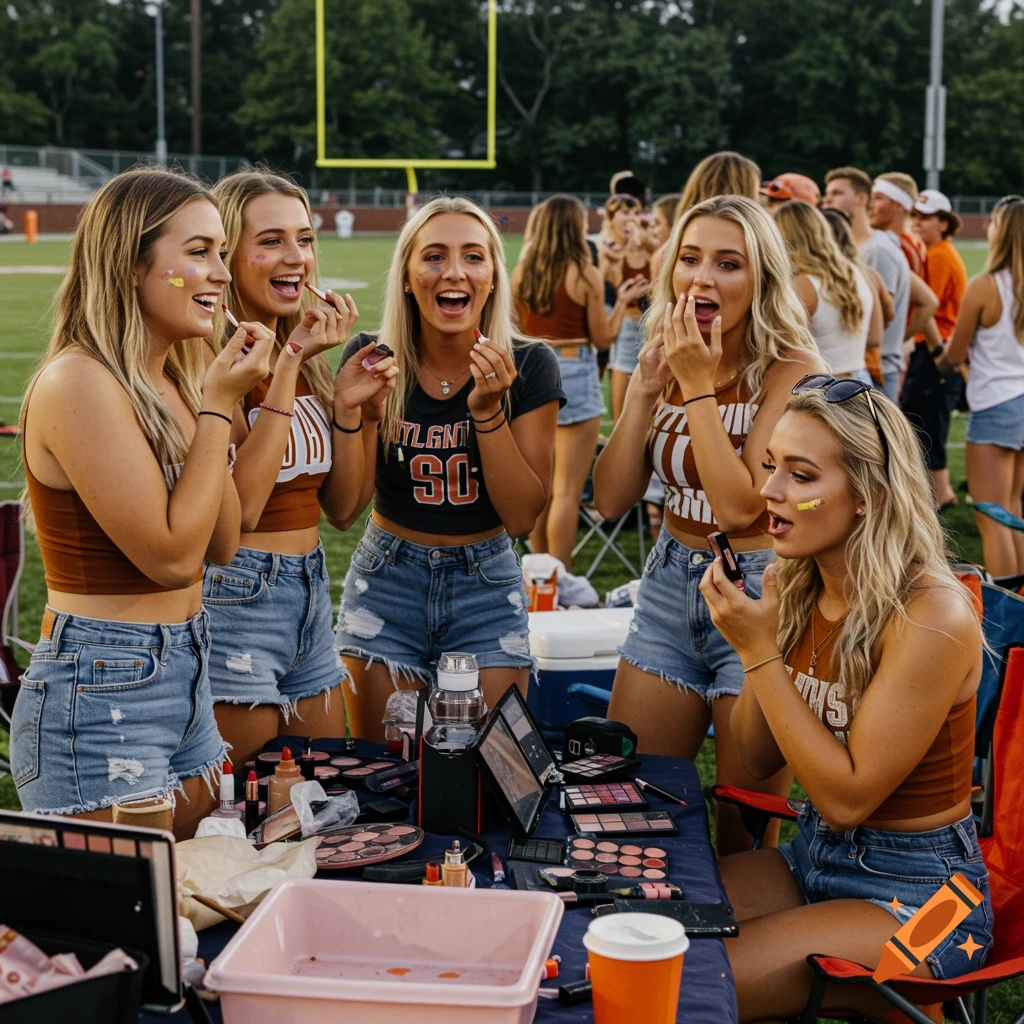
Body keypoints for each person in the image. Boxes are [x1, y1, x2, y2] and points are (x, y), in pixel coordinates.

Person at [700, 378, 990, 1022]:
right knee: (640, 919)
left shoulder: (931, 616)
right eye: (771, 465)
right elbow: (750, 754)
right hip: (818, 855)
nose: (769, 491)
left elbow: (847, 797)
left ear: (868, 496)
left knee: (687, 980)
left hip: (928, 898)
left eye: (800, 476)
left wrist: (758, 653)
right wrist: (765, 639)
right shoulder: (802, 582)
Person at [10, 167, 274, 838]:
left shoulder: (172, 379)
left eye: (220, 251)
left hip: (183, 664)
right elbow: (170, 557)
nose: (220, 272)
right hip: (100, 689)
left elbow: (221, 543)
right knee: (126, 932)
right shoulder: (80, 382)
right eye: (198, 252)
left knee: (194, 909)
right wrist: (217, 406)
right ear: (132, 264)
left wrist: (213, 405)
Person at [594, 195, 824, 855]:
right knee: (629, 808)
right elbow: (611, 499)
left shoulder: (793, 371)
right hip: (669, 585)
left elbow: (743, 507)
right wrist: (643, 390)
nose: (702, 277)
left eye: (729, 263)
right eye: (690, 258)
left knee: (742, 833)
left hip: (761, 595)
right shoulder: (670, 361)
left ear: (760, 282)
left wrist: (695, 387)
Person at [333, 196, 564, 740]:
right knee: (387, 779)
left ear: (491, 277)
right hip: (387, 577)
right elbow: (343, 510)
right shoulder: (371, 358)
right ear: (409, 277)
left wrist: (486, 414)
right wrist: (358, 416)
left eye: (473, 257)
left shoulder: (529, 363)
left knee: (490, 774)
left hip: (487, 581)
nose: (454, 272)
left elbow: (523, 519)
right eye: (434, 256)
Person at [203, 169, 397, 767]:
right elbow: (244, 513)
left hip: (309, 590)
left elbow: (342, 511)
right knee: (249, 808)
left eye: (305, 239)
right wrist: (288, 362)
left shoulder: (303, 353)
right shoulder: (213, 361)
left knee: (316, 790)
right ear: (225, 255)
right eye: (271, 241)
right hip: (235, 596)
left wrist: (353, 412)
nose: (297, 258)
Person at [513, 195, 647, 569]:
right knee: (568, 491)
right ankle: (561, 576)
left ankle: (538, 572)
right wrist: (621, 303)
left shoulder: (522, 269)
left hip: (531, 369)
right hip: (575, 368)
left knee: (541, 485)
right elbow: (604, 339)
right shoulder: (584, 272)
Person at [938, 195, 1024, 577]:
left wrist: (939, 360)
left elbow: (953, 355)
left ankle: (1008, 605)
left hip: (996, 406)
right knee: (1014, 509)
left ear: (1001, 233)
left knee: (991, 516)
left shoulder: (986, 286)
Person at [901, 189, 968, 510]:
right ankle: (941, 492)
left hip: (935, 347)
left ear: (944, 222)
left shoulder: (940, 255)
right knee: (927, 420)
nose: (918, 223)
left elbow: (927, 304)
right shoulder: (936, 251)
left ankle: (938, 494)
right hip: (933, 346)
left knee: (927, 422)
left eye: (926, 218)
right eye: (915, 216)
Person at [822, 167, 911, 403]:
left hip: (873, 368)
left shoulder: (876, 250)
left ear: (861, 199)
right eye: (827, 193)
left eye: (837, 193)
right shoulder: (865, 247)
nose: (827, 199)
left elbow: (879, 319)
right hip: (864, 367)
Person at [774, 200, 880, 385]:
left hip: (823, 387)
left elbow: (790, 353)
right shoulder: (856, 272)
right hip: (860, 380)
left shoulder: (803, 285)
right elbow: (875, 338)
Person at [868, 173, 942, 400]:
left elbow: (926, 302)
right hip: (892, 351)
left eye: (878, 198)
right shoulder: (910, 243)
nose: (871, 204)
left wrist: (899, 337)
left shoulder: (893, 245)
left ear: (899, 205)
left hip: (883, 355)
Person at [600, 193, 652, 420]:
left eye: (634, 212)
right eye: (624, 213)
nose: (631, 218)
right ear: (612, 219)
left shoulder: (648, 240)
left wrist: (640, 237)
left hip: (653, 321)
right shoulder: (608, 246)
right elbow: (610, 277)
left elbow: (659, 252)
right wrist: (626, 245)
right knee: (621, 368)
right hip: (628, 321)